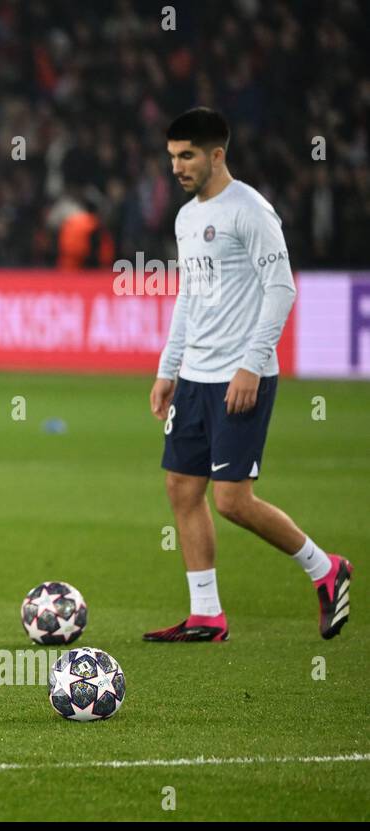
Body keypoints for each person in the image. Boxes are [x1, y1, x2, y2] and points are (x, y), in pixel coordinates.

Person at [147, 107, 350, 643]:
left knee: (232, 500)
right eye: (172, 157)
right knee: (181, 489)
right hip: (194, 377)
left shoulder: (251, 210)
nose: (177, 167)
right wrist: (169, 369)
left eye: (187, 155)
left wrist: (251, 365)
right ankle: (206, 616)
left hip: (241, 376)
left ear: (217, 154)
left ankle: (325, 569)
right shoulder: (187, 217)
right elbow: (189, 295)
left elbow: (281, 289)